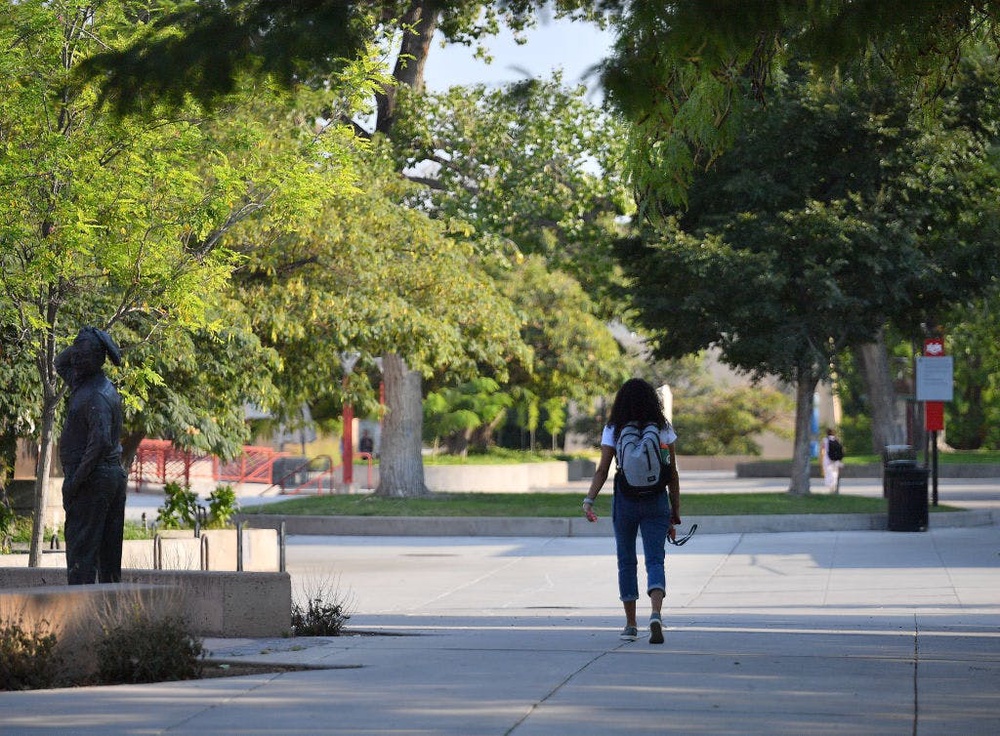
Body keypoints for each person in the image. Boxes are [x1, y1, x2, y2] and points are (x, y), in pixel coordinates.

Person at [582, 378, 681, 644]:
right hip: (656, 500)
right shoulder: (662, 428)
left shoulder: (614, 428)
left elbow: (603, 470)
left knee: (626, 561)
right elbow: (671, 473)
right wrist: (674, 512)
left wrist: (589, 500)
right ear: (652, 401)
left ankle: (630, 624)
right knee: (655, 560)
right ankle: (656, 613)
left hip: (625, 501)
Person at [56, 327, 127, 584]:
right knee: (105, 553)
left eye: (82, 355)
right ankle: (106, 606)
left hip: (94, 480)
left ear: (97, 359)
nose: (75, 359)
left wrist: (75, 482)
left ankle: (81, 606)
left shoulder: (96, 394)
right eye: (75, 352)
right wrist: (93, 334)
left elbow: (100, 443)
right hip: (102, 477)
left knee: (83, 553)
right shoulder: (84, 382)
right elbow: (59, 361)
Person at [820, 427, 844, 494]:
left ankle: (831, 488)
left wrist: (821, 460)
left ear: (827, 433)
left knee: (828, 473)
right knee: (835, 473)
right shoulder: (837, 439)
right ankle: (834, 487)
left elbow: (822, 451)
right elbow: (841, 450)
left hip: (827, 460)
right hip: (836, 460)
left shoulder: (824, 440)